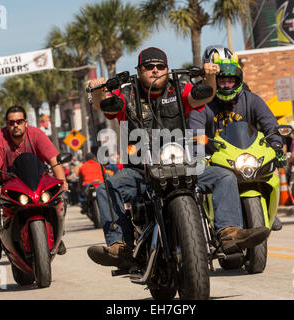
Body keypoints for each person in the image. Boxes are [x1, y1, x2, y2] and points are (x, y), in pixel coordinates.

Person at [86, 47, 270, 269]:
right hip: (140, 171)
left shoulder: (180, 88)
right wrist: (97, 90)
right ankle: (119, 245)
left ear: (167, 69)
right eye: (149, 67)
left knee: (225, 177)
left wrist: (211, 76)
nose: (155, 71)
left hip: (183, 165)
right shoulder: (127, 93)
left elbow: (206, 95)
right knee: (106, 188)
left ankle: (228, 232)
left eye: (160, 66)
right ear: (139, 69)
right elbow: (102, 105)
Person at [188, 45, 286, 230]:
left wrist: (277, 146)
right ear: (211, 79)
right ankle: (198, 221)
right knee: (194, 191)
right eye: (221, 81)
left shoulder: (251, 99)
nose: (225, 85)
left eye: (230, 81)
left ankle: (270, 212)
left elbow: (269, 124)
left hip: (247, 156)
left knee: (270, 173)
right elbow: (194, 130)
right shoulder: (202, 104)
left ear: (238, 79)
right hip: (214, 159)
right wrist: (197, 154)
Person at [0, 105, 68, 263]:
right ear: (7, 124)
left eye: (19, 121)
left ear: (25, 123)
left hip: (37, 182)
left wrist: (62, 181)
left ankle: (58, 235)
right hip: (10, 184)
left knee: (61, 198)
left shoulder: (37, 134)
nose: (15, 125)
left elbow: (53, 159)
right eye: (11, 122)